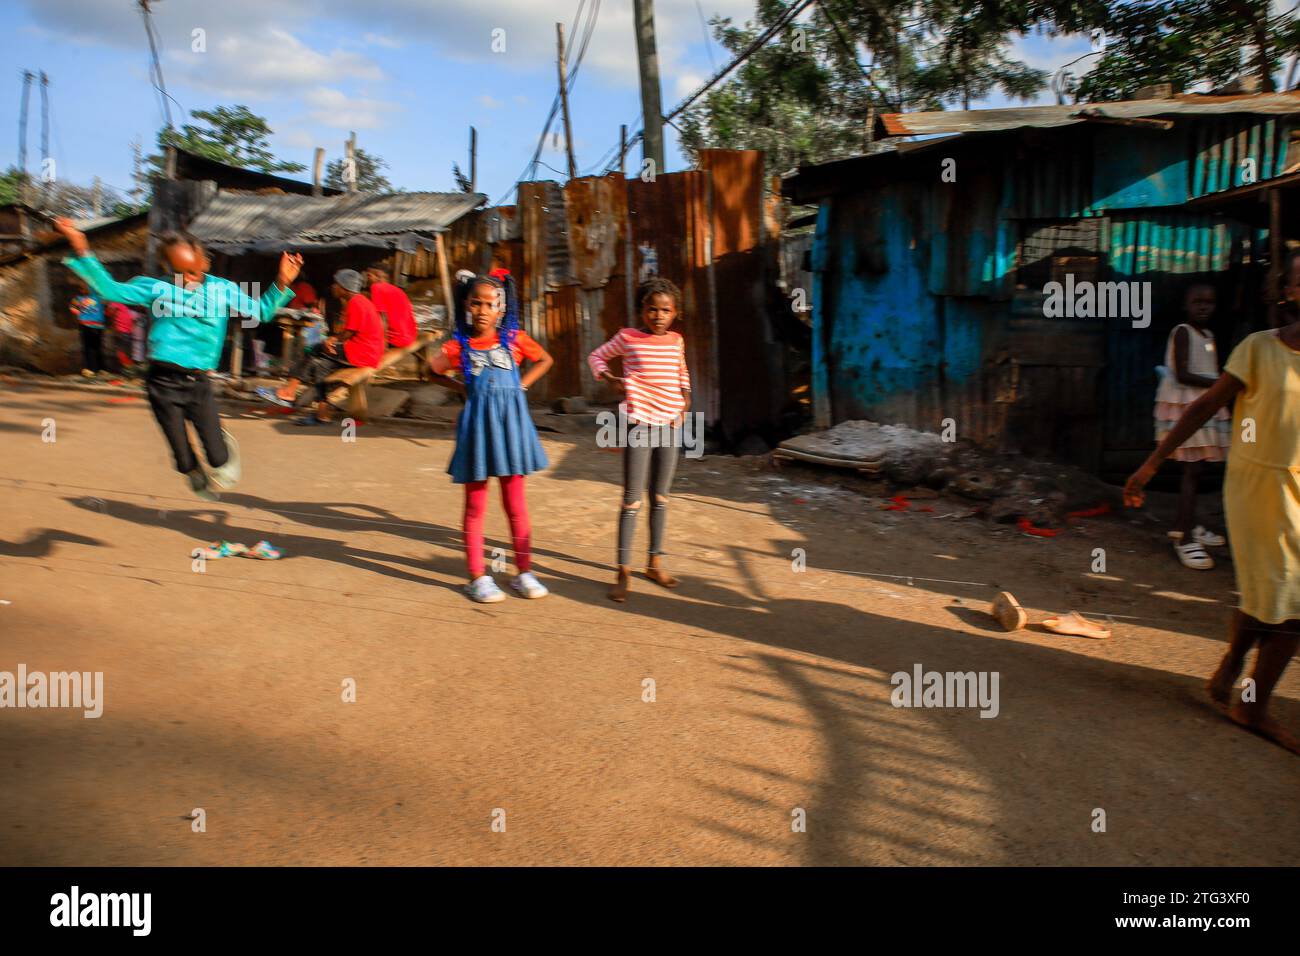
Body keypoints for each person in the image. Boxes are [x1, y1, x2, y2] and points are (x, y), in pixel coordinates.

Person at [1124, 262, 1300, 755]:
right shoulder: (1259, 348)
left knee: (1269, 591)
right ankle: (1253, 706)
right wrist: (1151, 465)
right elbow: (1201, 407)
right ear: (1287, 290)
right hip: (1260, 486)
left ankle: (1230, 666)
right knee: (1291, 606)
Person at [54, 217, 301, 500]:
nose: (189, 279)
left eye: (194, 271)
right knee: (183, 458)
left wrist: (281, 282)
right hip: (161, 382)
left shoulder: (223, 289)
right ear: (169, 269)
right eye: (181, 273)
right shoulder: (155, 287)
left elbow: (261, 312)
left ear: (204, 261)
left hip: (197, 382)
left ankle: (219, 444)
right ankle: (190, 469)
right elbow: (111, 290)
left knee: (218, 459)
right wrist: (81, 246)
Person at [428, 271, 554, 603]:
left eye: (491, 304)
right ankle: (477, 576)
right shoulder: (458, 346)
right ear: (466, 305)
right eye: (477, 303)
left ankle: (523, 572)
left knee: (515, 503)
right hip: (478, 431)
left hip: (512, 427)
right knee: (475, 505)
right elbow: (432, 370)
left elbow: (544, 359)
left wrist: (521, 386)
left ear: (502, 308)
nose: (483, 310)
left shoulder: (514, 340)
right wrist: (464, 389)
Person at [588, 277, 692, 603]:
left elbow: (681, 372)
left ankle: (654, 562)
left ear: (675, 313)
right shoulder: (628, 338)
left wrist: (686, 399)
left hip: (671, 426)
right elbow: (596, 357)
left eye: (665, 310)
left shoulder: (677, 340)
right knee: (632, 501)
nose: (658, 316)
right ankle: (623, 571)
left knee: (660, 497)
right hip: (639, 426)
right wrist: (611, 380)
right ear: (641, 311)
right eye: (652, 309)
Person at [1153, 283, 1231, 569]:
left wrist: (1218, 386)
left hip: (1205, 404)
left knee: (1197, 469)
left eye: (1208, 302)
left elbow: (1208, 367)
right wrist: (1222, 384)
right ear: (1185, 305)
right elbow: (1184, 373)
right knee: (1192, 470)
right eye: (1197, 301)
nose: (1203, 307)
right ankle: (1183, 536)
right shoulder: (1183, 331)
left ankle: (1189, 524)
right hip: (1189, 406)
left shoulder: (1208, 334)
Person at [259, 269, 384, 425]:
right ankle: (322, 414)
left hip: (362, 352)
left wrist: (331, 340)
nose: (333, 287)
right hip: (368, 352)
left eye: (336, 284)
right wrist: (333, 341)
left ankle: (288, 391)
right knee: (321, 366)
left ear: (345, 287)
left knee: (313, 350)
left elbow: (348, 333)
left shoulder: (356, 303)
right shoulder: (360, 301)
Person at [366, 266, 417, 349]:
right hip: (410, 336)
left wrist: (383, 344)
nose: (367, 279)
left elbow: (382, 318)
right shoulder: (396, 289)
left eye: (369, 275)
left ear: (377, 275)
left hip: (397, 340)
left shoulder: (376, 287)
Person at [69, 279, 105, 377]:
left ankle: (96, 369)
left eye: (83, 288)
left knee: (93, 348)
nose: (82, 290)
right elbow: (72, 307)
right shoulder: (80, 298)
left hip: (96, 326)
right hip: (87, 325)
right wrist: (79, 313)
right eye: (81, 288)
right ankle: (93, 369)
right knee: (91, 348)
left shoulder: (97, 296)